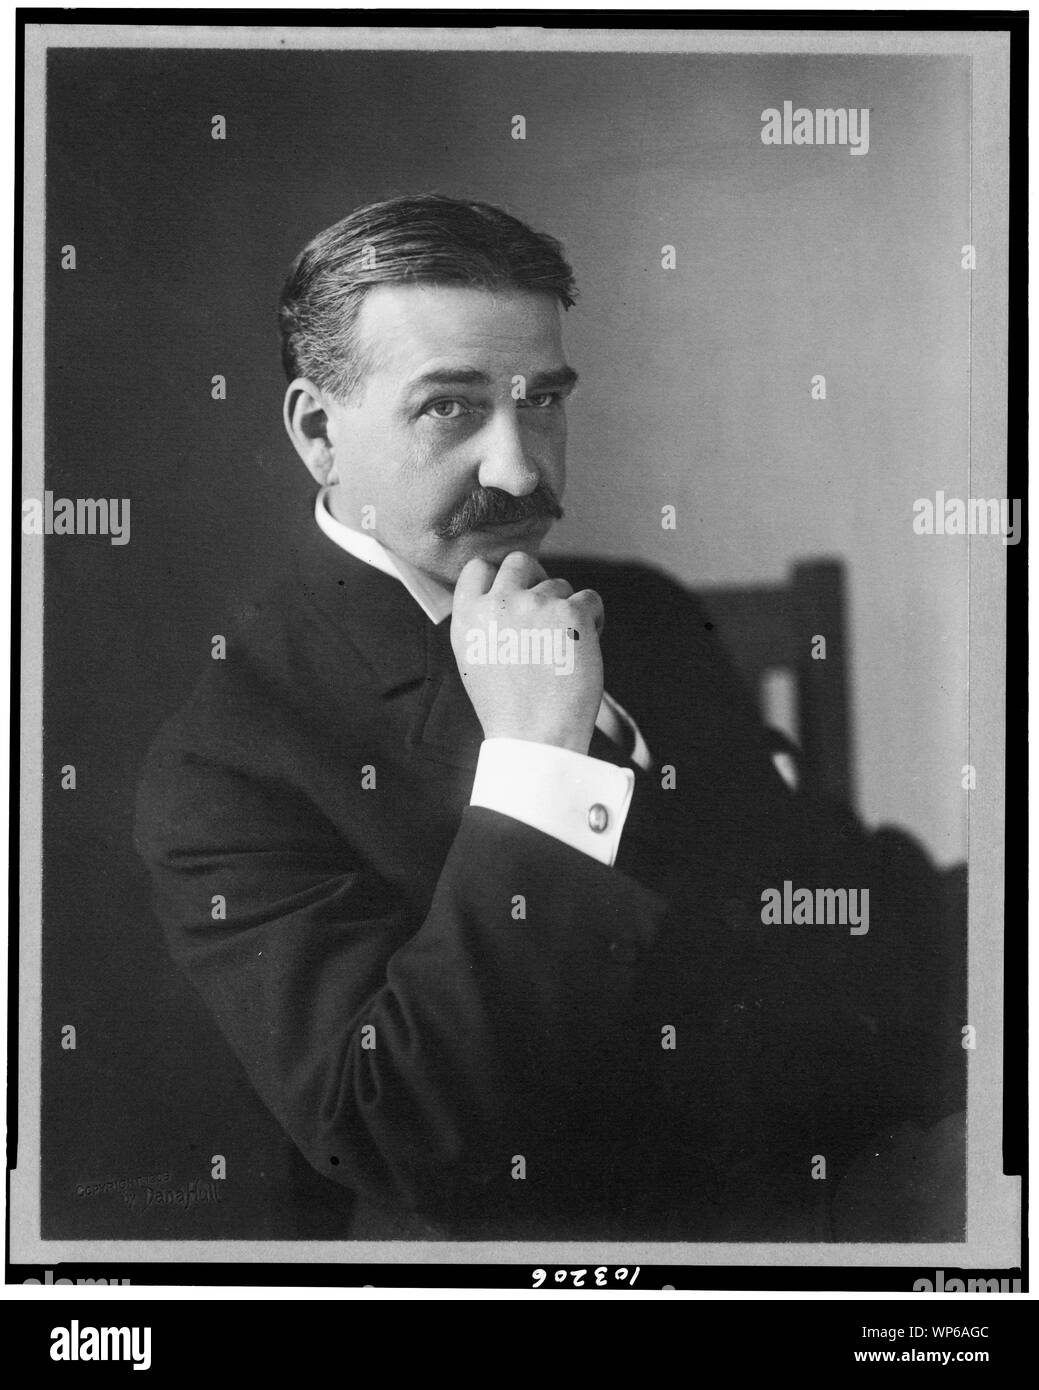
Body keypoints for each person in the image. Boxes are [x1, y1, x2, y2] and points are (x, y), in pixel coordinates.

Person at [134, 194, 964, 1241]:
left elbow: (825, 895)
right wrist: (535, 761)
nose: (521, 466)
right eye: (449, 407)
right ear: (316, 433)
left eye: (542, 401)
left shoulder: (645, 611)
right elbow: (396, 1133)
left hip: (818, 1193)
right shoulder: (227, 764)